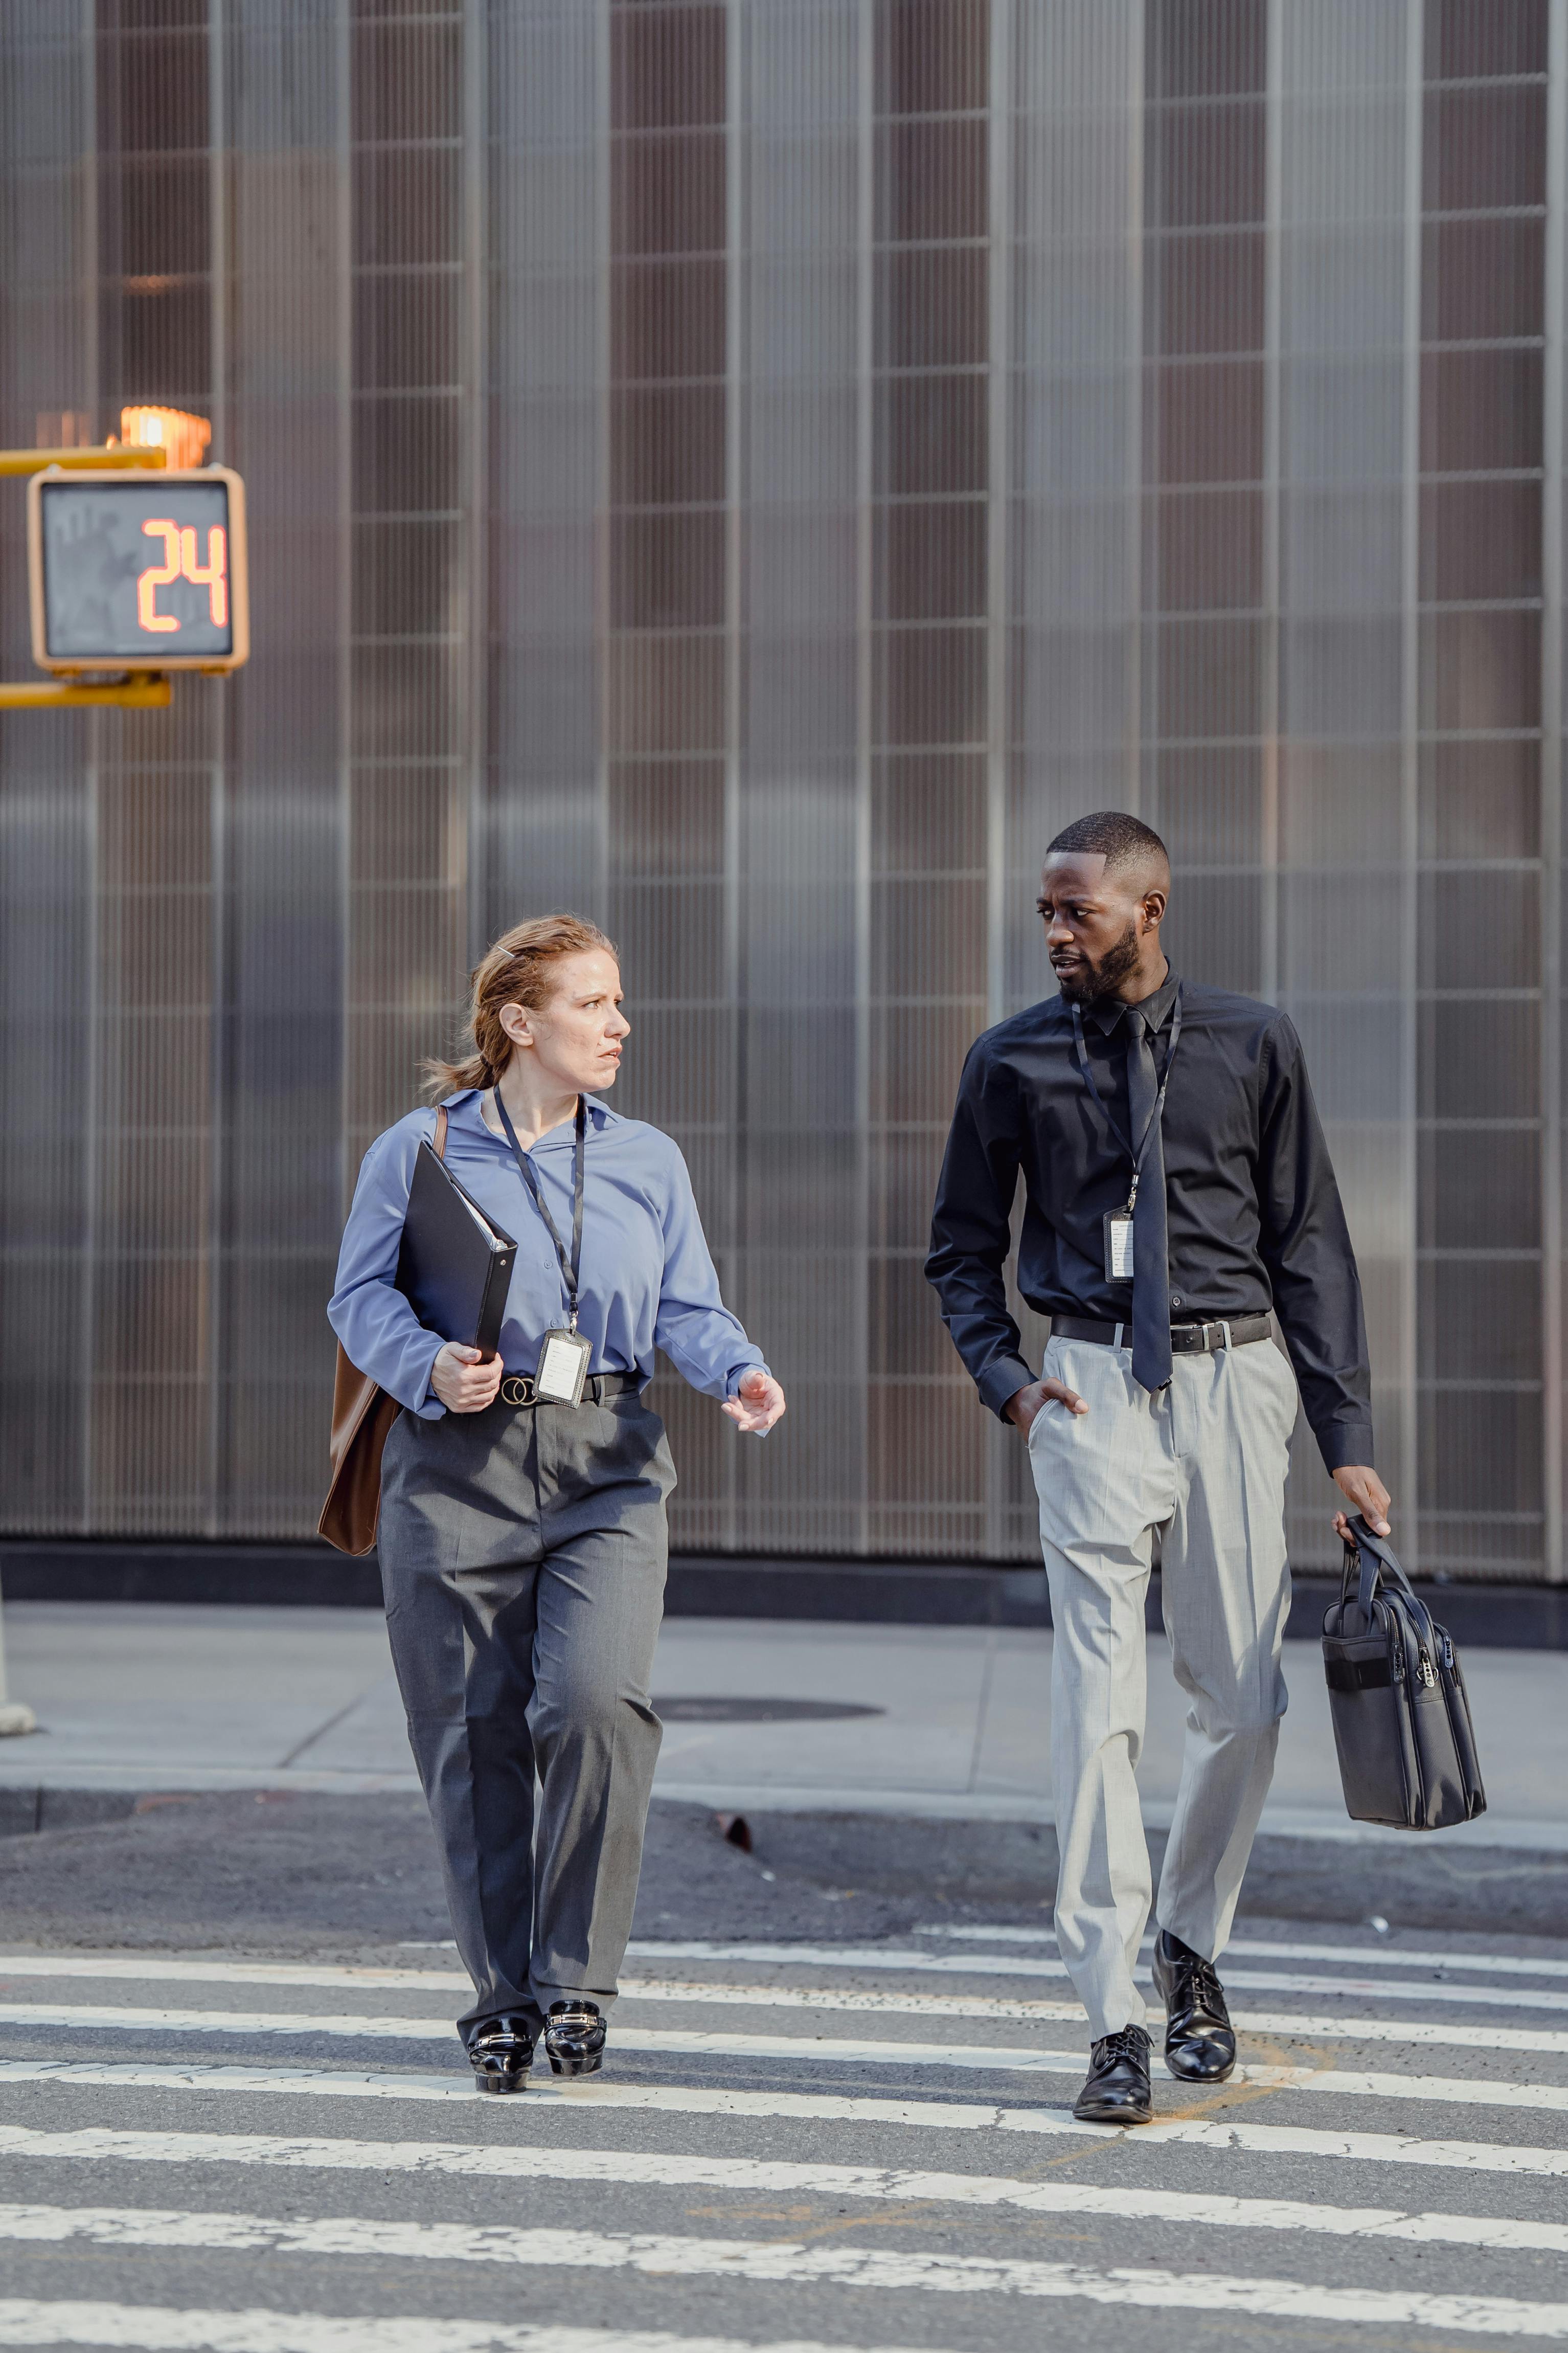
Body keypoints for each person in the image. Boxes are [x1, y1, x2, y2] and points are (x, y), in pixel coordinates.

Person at [925, 812, 1389, 2126]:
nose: (1055, 933)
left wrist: (1345, 1441)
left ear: (1150, 907)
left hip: (1238, 1383)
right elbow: (960, 1250)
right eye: (1045, 912)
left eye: (1077, 911)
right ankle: (1111, 2015)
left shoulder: (1253, 1042)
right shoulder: (1008, 1060)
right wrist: (1010, 1384)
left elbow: (1313, 1248)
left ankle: (1189, 1944)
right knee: (1094, 1703)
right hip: (1082, 1390)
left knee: (1243, 1699)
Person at [329, 912, 785, 2093]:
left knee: (593, 1707)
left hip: (608, 1463)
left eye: (617, 1002)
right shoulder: (416, 1151)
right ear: (518, 1023)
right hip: (454, 1465)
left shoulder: (646, 1159)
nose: (620, 1024)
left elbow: (687, 1302)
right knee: (471, 1738)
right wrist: (427, 1366)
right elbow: (357, 1300)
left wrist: (735, 1366)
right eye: (594, 1004)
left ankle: (578, 1986)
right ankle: (504, 1999)